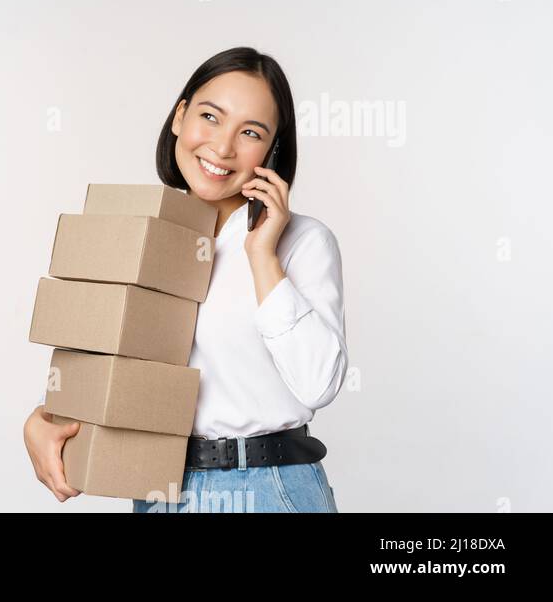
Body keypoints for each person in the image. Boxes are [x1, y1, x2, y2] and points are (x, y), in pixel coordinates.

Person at [23, 47, 347, 513]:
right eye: (211, 117)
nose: (222, 147)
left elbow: (319, 385)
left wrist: (262, 255)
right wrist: (41, 416)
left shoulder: (303, 242)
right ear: (180, 117)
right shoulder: (143, 231)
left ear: (271, 149)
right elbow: (105, 356)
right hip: (160, 487)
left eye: (250, 132)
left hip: (266, 488)